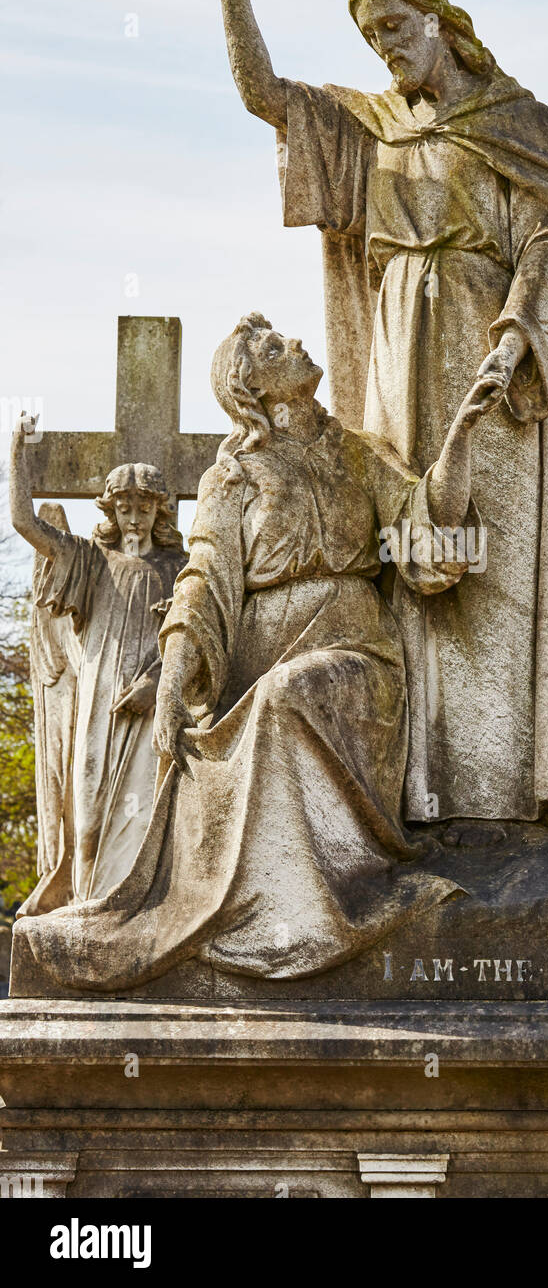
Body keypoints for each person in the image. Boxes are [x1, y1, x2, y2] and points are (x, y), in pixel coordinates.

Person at [172, 0, 548, 848]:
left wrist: (522, 337)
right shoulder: (372, 126)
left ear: (443, 20)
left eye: (397, 26)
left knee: (489, 566)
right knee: (414, 559)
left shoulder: (519, 123)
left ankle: (505, 797)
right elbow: (264, 96)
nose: (385, 47)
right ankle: (419, 799)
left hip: (497, 369)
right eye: (371, 36)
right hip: (400, 359)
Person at [12, 316, 496, 991]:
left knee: (285, 698)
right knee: (251, 714)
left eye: (286, 339)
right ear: (251, 387)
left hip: (355, 657)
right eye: (273, 348)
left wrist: (461, 440)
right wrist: (175, 682)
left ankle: (305, 921)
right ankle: (252, 918)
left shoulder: (359, 453)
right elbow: (203, 580)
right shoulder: (234, 473)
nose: (296, 344)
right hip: (255, 667)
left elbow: (425, 531)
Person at [9, 421, 186, 908]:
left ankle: (137, 922)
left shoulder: (181, 569)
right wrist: (17, 451)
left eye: (145, 507)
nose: (134, 517)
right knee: (86, 826)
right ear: (111, 510)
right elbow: (25, 524)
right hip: (98, 708)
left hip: (151, 711)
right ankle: (87, 917)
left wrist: (157, 679)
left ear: (160, 511)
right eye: (125, 507)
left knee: (147, 821)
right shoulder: (90, 560)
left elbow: (198, 639)